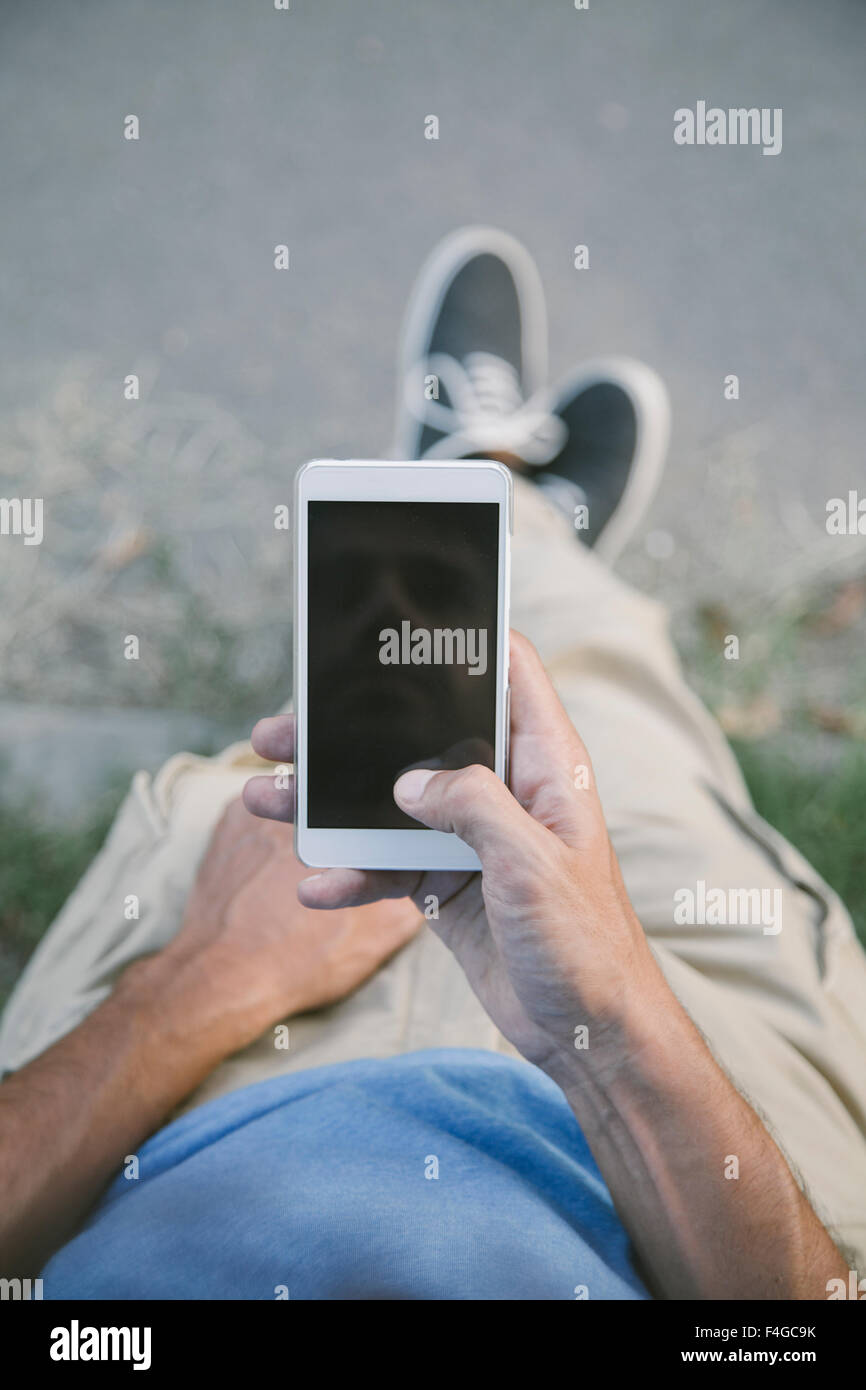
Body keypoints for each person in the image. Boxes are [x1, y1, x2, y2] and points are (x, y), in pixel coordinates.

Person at [1, 228, 865, 1301]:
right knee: (593, 702)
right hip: (650, 1172)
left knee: (326, 726)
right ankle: (515, 509)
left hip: (170, 1118)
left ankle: (457, 487)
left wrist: (201, 978)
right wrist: (607, 1030)